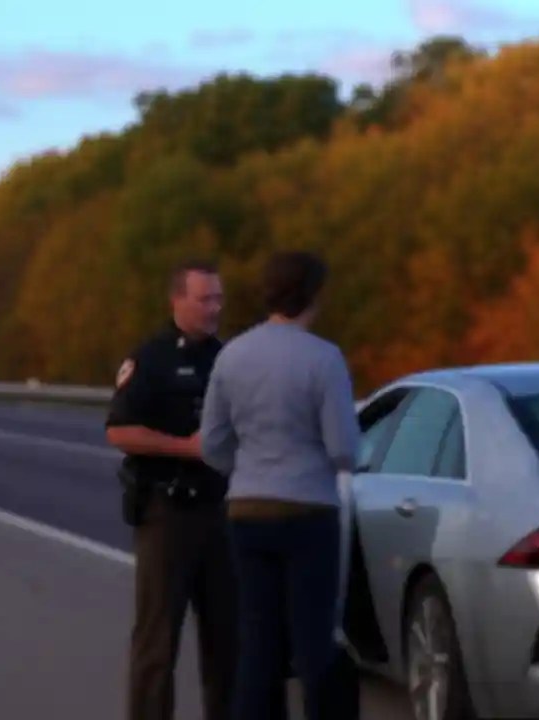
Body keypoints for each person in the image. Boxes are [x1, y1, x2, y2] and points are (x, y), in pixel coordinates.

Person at [199, 250, 362, 720]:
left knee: (258, 644)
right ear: (313, 294)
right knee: (313, 644)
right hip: (308, 511)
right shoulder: (324, 359)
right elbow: (344, 451)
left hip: (247, 508)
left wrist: (249, 466)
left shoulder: (233, 355)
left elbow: (212, 443)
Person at [104, 260, 239, 720]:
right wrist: (184, 447)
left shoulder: (228, 358)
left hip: (221, 513)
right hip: (168, 514)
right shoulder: (151, 359)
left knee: (228, 641)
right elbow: (119, 431)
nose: (214, 307)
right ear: (177, 300)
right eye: (205, 299)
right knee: (157, 644)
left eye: (219, 298)